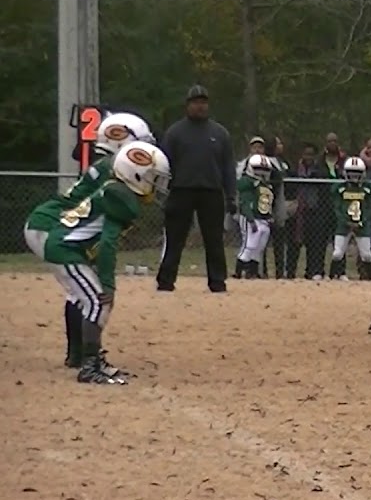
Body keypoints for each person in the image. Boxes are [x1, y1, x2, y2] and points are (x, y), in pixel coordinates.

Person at [24, 141, 170, 384]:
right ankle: (89, 365)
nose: (157, 184)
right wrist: (108, 284)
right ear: (136, 172)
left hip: (66, 247)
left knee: (92, 300)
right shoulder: (121, 198)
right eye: (153, 176)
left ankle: (90, 359)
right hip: (65, 250)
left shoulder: (116, 189)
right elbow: (108, 244)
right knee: (97, 301)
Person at [57, 111, 155, 369]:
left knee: (76, 293)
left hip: (73, 227)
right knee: (85, 294)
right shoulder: (114, 169)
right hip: (77, 232)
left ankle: (76, 352)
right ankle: (83, 353)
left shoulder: (103, 166)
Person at [156, 84, 236, 293]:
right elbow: (163, 164)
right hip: (181, 190)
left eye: (203, 102)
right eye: (196, 103)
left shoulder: (219, 133)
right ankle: (166, 280)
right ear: (188, 105)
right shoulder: (175, 132)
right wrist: (163, 191)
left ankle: (217, 281)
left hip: (211, 191)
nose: (200, 107)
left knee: (214, 239)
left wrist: (231, 195)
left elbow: (228, 167)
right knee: (175, 238)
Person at [330, 157, 371, 280]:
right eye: (351, 173)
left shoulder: (368, 189)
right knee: (337, 253)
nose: (354, 176)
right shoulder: (340, 189)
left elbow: (370, 208)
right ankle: (332, 276)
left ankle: (370, 277)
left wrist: (362, 221)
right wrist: (346, 221)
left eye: (357, 173)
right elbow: (337, 208)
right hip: (344, 224)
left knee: (366, 255)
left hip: (362, 225)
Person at [234, 154, 275, 279]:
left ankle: (252, 271)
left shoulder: (264, 184)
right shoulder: (247, 182)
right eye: (258, 169)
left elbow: (265, 203)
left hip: (263, 219)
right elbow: (245, 202)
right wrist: (250, 219)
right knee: (249, 244)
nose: (261, 173)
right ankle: (239, 271)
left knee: (259, 246)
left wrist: (269, 216)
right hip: (251, 218)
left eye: (264, 170)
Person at [294, 143, 330, 280]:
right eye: (306, 154)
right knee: (297, 243)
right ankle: (293, 271)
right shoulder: (297, 170)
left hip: (316, 210)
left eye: (311, 154)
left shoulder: (320, 169)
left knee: (316, 244)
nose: (308, 157)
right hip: (300, 211)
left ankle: (316, 270)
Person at [269, 137, 298, 280]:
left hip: (282, 204)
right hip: (267, 204)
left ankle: (280, 272)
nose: (281, 146)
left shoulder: (283, 162)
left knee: (280, 240)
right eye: (278, 143)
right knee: (261, 240)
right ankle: (257, 270)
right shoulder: (267, 162)